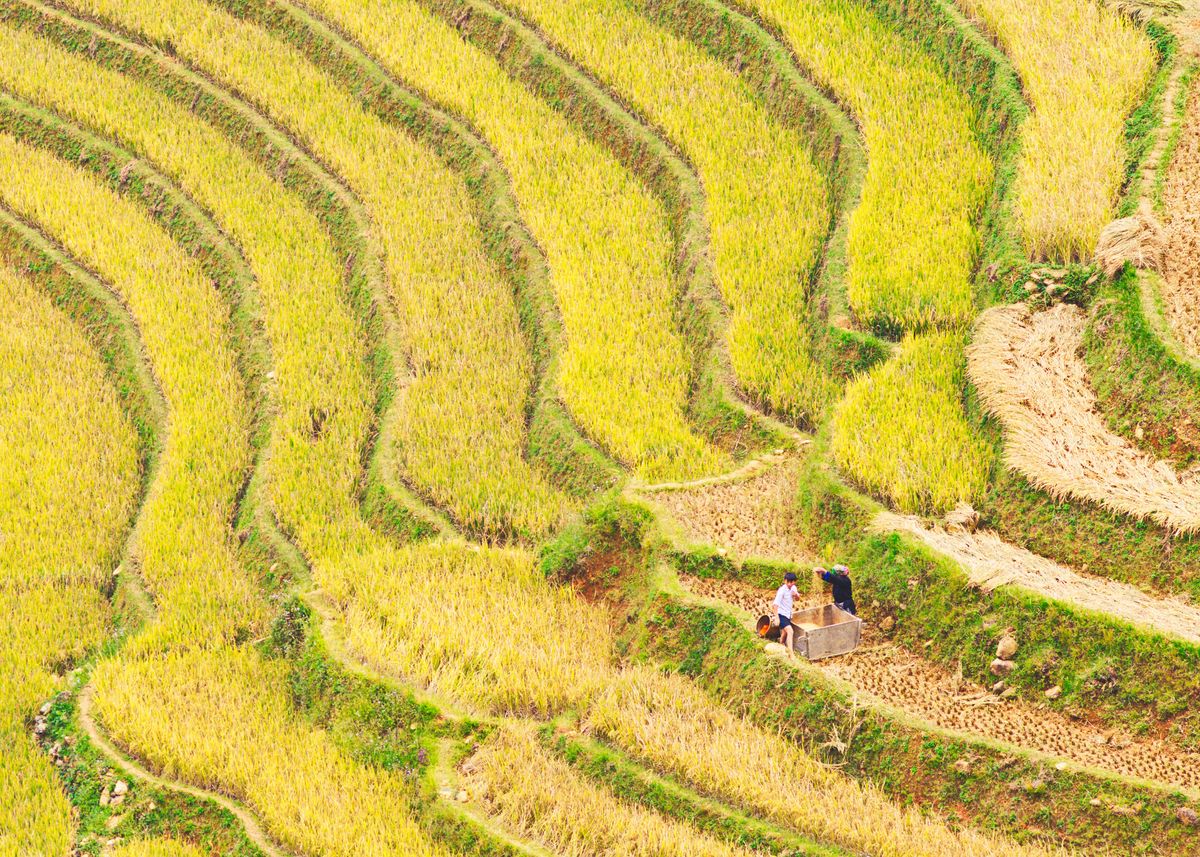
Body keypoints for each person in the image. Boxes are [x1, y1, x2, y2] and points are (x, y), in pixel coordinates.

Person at [773, 571, 799, 657]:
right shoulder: (782, 590)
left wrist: (796, 595)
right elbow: (775, 605)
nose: (790, 584)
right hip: (781, 614)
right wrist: (777, 618)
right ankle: (791, 653)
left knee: (784, 633)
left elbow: (798, 599)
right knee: (790, 631)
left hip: (788, 614)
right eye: (789, 582)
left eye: (792, 582)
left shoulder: (793, 588)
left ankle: (780, 644)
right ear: (785, 581)